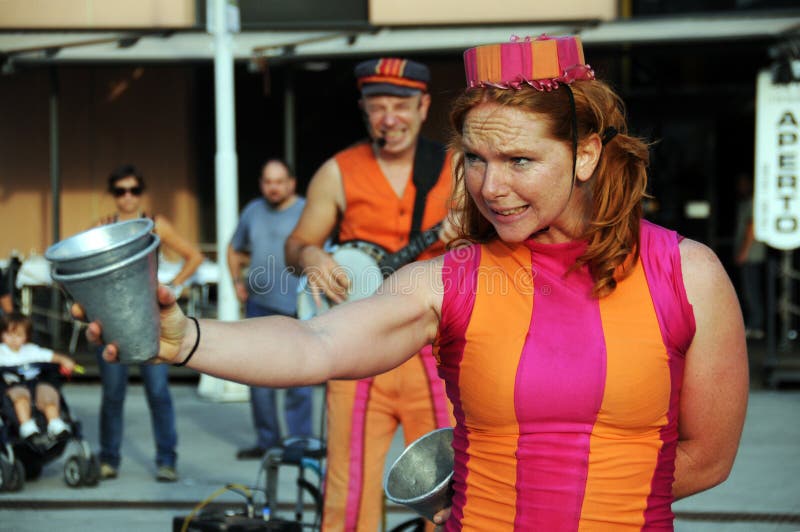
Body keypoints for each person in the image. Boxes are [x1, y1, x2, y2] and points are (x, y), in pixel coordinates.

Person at [84, 36, 749, 531]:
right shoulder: (450, 280)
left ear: (585, 154)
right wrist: (182, 337)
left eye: (520, 160)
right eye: (479, 161)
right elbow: (314, 345)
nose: (492, 187)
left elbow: (710, 458)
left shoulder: (688, 273)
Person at [284, 57, 456, 530]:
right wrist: (312, 257)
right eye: (377, 106)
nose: (389, 118)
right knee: (348, 481)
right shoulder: (337, 171)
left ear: (423, 106)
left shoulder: (458, 167)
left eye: (400, 105)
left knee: (450, 481)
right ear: (363, 109)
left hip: (437, 349)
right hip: (359, 345)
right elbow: (296, 243)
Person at [92, 163, 203, 482]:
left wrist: (174, 286)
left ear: (141, 192)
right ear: (113, 195)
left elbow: (193, 255)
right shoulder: (105, 225)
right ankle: (109, 458)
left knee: (158, 392)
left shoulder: (156, 224)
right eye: (120, 191)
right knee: (113, 395)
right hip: (113, 319)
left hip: (151, 321)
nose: (128, 197)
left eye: (133, 190)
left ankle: (166, 460)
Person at [227, 159, 313, 460]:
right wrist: (237, 280)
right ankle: (268, 443)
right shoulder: (253, 210)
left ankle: (300, 445)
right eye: (267, 181)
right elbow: (234, 249)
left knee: (297, 379)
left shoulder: (307, 210)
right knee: (257, 379)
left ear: (291, 183)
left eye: (279, 181)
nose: (273, 187)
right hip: (259, 306)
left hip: (296, 309)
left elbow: (324, 252)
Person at [1, 312, 75, 440]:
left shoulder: (32, 350)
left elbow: (53, 356)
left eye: (18, 335)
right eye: (8, 334)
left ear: (26, 337)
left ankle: (55, 424)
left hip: (35, 384)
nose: (13, 339)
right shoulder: (1, 351)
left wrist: (66, 361)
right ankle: (27, 426)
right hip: (13, 386)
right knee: (21, 397)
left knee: (49, 394)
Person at [734, 171, 766, 339]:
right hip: (750, 254)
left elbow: (751, 228)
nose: (740, 187)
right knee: (750, 290)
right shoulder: (745, 202)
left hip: (752, 255)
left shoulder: (753, 203)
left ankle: (756, 325)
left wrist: (743, 252)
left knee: (751, 290)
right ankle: (755, 324)